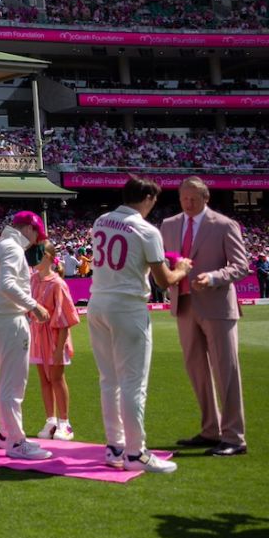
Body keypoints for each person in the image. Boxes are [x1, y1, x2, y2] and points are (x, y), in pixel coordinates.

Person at [87, 175, 191, 473]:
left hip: (98, 302)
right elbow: (164, 280)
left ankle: (115, 446)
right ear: (147, 198)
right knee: (133, 383)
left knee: (109, 380)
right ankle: (135, 453)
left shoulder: (101, 220)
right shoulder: (146, 230)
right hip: (127, 306)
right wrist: (181, 268)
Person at [160, 176, 249, 457]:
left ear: (205, 198)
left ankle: (234, 437)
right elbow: (164, 261)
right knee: (197, 371)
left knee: (226, 372)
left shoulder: (224, 225)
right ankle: (211, 430)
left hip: (217, 307)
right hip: (183, 305)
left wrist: (213, 277)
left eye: (193, 199)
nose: (188, 203)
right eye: (184, 198)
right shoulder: (169, 225)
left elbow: (240, 266)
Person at [0, 211, 52, 461]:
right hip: (8, 319)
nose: (35, 242)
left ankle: (5, 433)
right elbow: (7, 283)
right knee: (13, 383)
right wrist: (33, 305)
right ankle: (15, 440)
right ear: (29, 229)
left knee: (6, 380)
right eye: (36, 235)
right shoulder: (11, 247)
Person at [30, 239, 80, 442]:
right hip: (37, 337)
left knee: (57, 378)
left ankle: (64, 422)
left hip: (54, 338)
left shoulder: (58, 283)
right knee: (44, 379)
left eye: (38, 255)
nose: (33, 259)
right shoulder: (33, 280)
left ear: (48, 258)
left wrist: (60, 348)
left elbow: (65, 318)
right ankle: (50, 420)